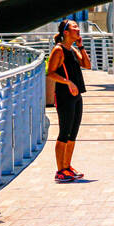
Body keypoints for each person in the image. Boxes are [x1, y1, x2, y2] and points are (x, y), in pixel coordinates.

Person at [47, 21, 91, 182]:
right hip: (65, 95)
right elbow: (50, 72)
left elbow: (87, 65)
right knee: (64, 132)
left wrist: (81, 47)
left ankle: (67, 166)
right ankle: (60, 170)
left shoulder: (71, 49)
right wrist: (68, 82)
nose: (78, 29)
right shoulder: (58, 50)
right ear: (66, 32)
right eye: (74, 27)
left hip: (77, 94)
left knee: (73, 133)